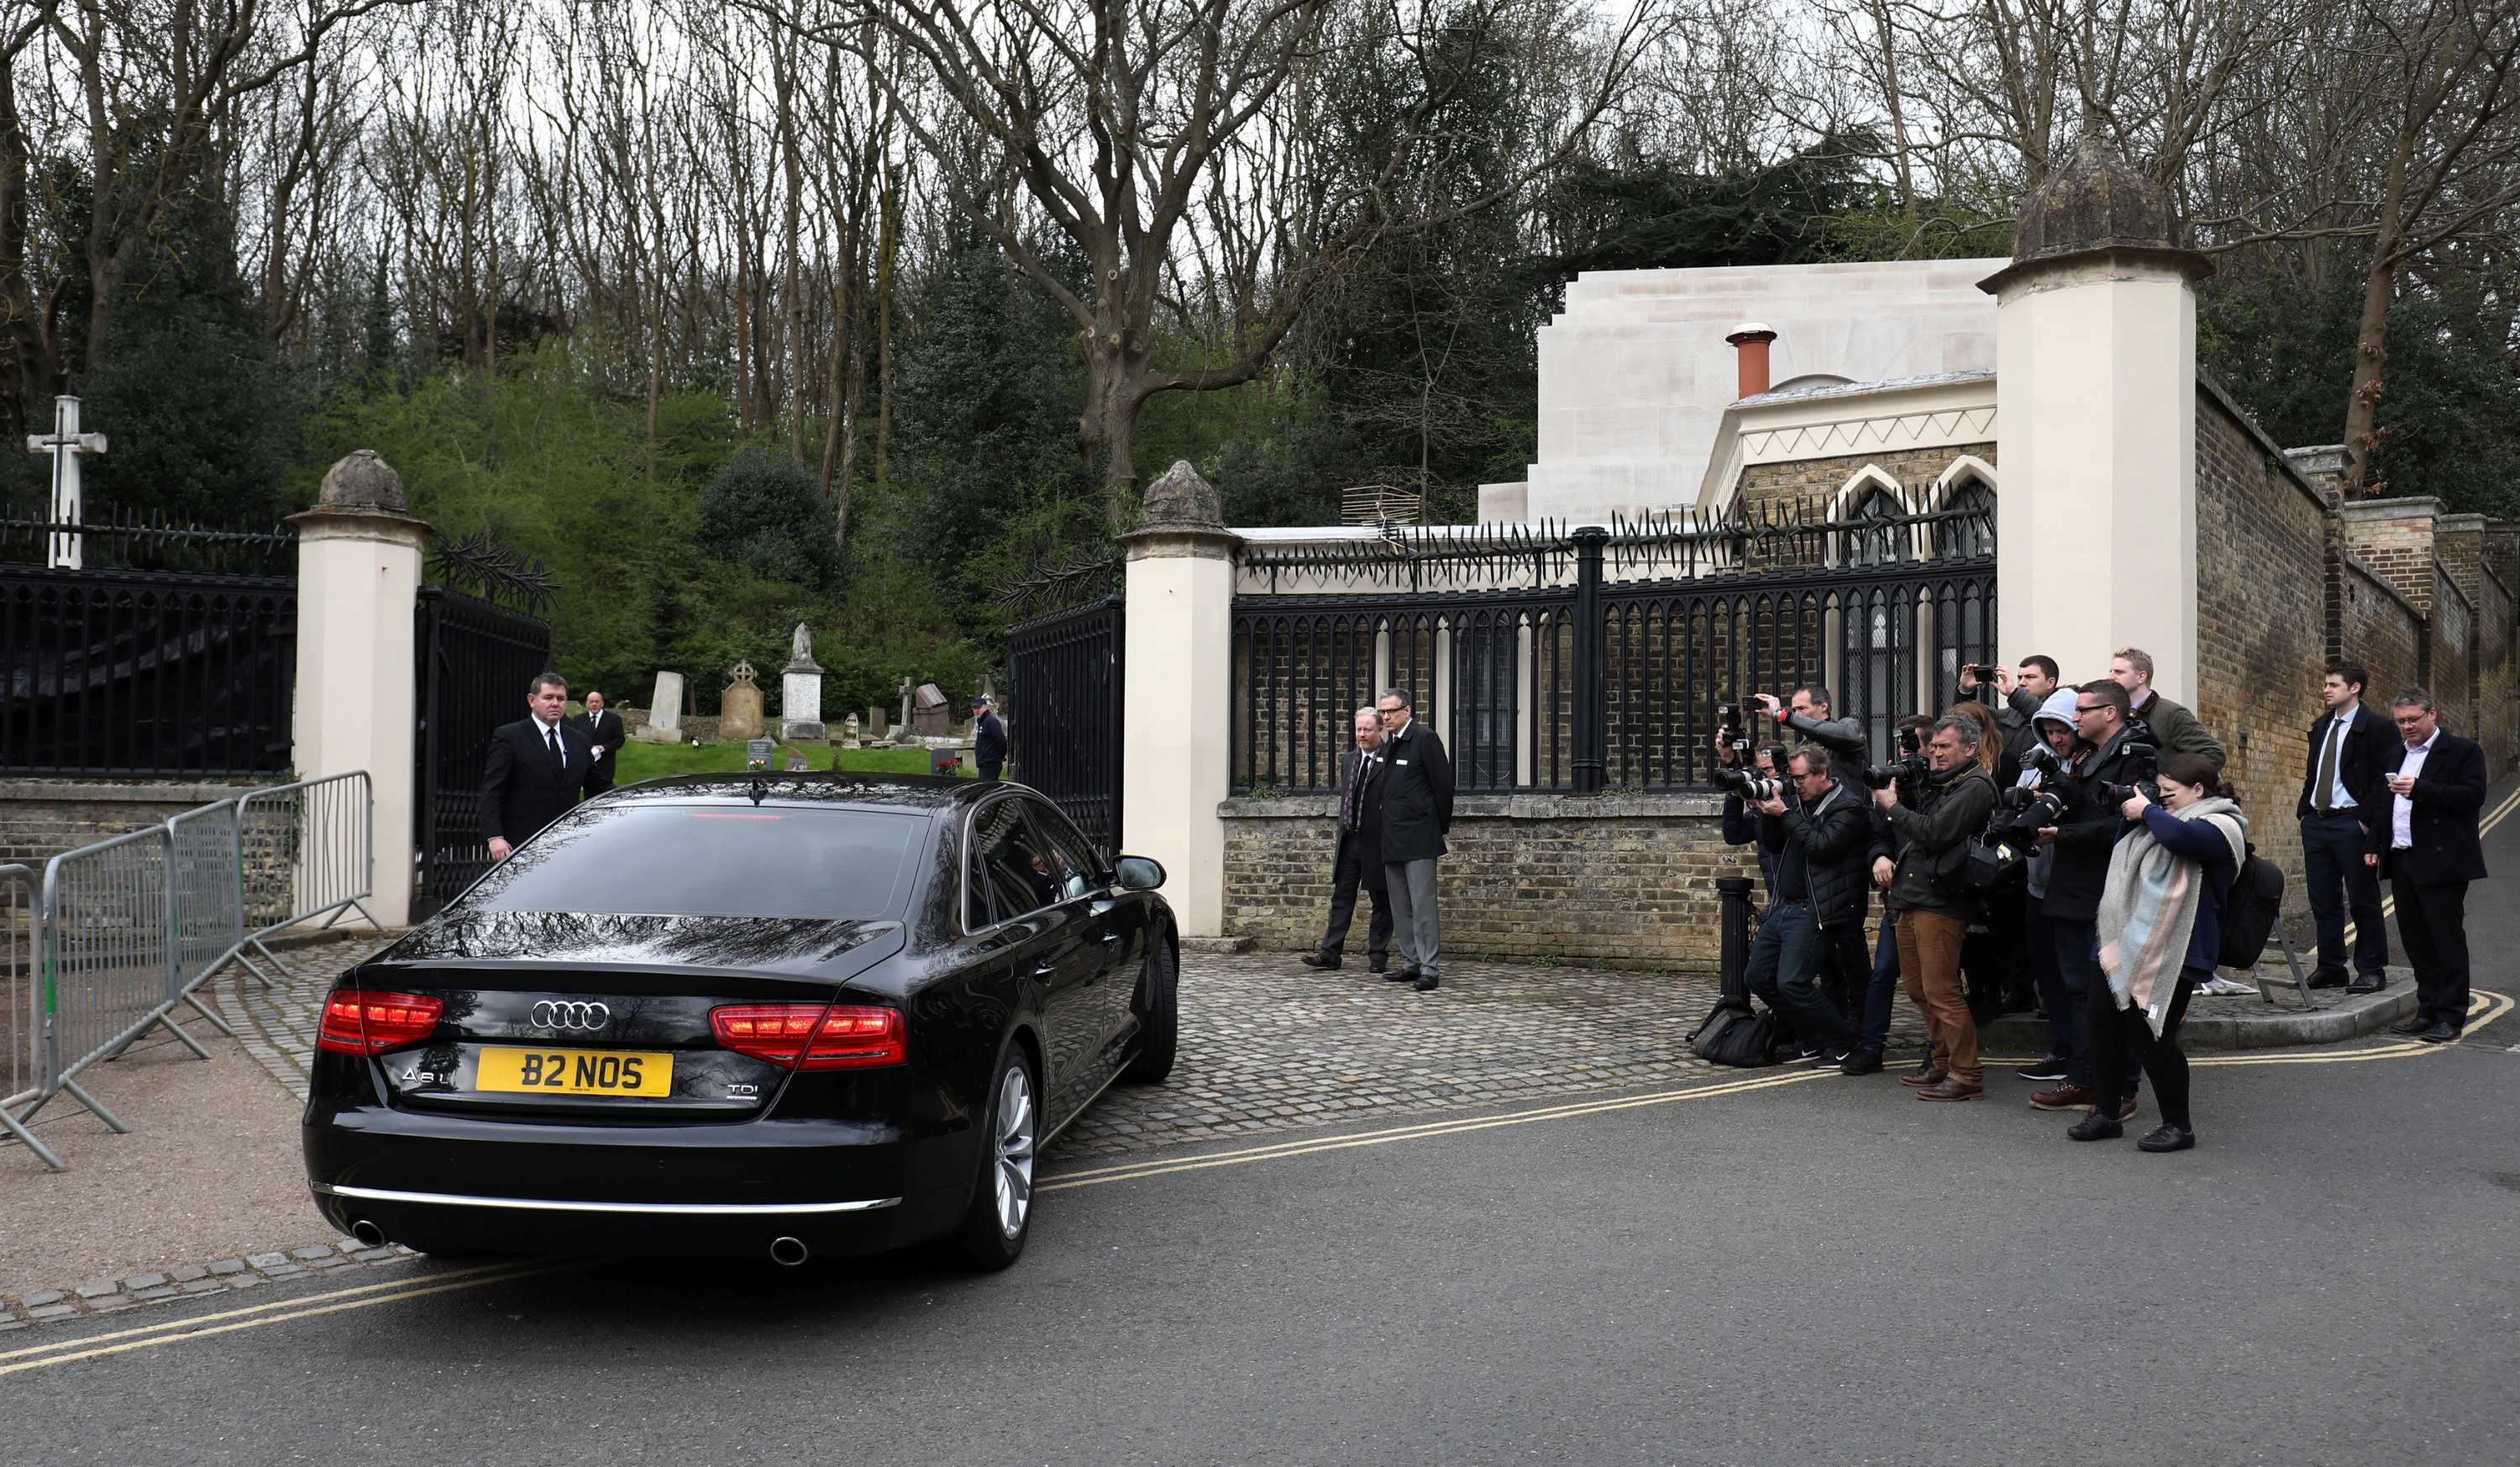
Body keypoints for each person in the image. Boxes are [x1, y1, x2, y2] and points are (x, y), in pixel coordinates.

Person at [2069, 751, 2247, 1150]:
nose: (2161, 798)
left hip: (2177, 947)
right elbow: (2123, 857)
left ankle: (2178, 1126)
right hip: (2123, 940)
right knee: (2102, 1026)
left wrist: (2148, 810)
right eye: (2159, 791)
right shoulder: (2155, 822)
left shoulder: (2222, 823)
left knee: (2151, 1036)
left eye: (2169, 792)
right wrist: (2137, 815)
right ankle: (2106, 1113)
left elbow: (2183, 839)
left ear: (2198, 789)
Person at [2029, 678, 2155, 1117]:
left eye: (2082, 710)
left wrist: (2061, 833)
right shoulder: (2082, 753)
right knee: (2078, 991)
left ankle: (2121, 1089)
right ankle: (2084, 1079)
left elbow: (2120, 826)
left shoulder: (2136, 753)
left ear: (2111, 713)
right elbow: (2075, 796)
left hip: (2111, 890)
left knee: (2116, 992)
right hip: (2072, 889)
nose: (2074, 717)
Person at [1875, 713, 1998, 1101]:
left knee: (1942, 991)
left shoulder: (1975, 786)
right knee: (1917, 989)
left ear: (1970, 749)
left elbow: (1937, 833)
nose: (1936, 754)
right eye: (1935, 746)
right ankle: (1943, 1061)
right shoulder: (1942, 784)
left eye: (1945, 747)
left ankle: (1966, 1074)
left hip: (1942, 902)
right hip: (1912, 897)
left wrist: (1893, 806)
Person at [1744, 744, 1870, 1064]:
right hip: (1784, 905)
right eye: (1793, 778)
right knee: (1757, 976)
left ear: (1822, 773)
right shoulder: (1797, 802)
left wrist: (1786, 814)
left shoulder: (1848, 807)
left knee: (1792, 981)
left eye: (1801, 778)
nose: (1795, 785)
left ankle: (1841, 1042)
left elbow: (1821, 846)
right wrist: (1769, 812)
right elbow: (1773, 845)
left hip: (1814, 909)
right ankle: (1811, 1037)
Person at [2374, 690, 2487, 1044]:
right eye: (2400, 721)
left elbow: (2472, 796)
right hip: (2403, 856)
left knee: (2446, 940)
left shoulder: (2464, 751)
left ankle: (2451, 1016)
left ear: (2432, 714)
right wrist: (2373, 845)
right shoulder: (2395, 752)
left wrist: (2421, 789)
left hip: (2443, 861)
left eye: (2412, 720)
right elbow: (2385, 805)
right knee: (2416, 940)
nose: (2406, 727)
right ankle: (2427, 1010)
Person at [1842, 714, 1936, 1076]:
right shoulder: (1892, 783)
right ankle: (1871, 1047)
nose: (1904, 750)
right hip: (1897, 900)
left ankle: (1938, 1048)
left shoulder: (1939, 786)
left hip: (1932, 899)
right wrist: (1879, 856)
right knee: (1882, 974)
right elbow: (1878, 833)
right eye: (1901, 743)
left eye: (1912, 743)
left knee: (1933, 983)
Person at [2294, 661, 2392, 993]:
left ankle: (2371, 969)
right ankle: (2331, 966)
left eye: (2333, 684)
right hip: (2318, 822)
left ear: (2355, 689)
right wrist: (2305, 813)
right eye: (2326, 684)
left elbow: (2383, 780)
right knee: (2323, 900)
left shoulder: (2377, 728)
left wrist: (2365, 821)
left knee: (2363, 900)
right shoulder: (2321, 726)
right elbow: (2315, 774)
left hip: (2352, 823)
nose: (2326, 689)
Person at [2014, 689, 2086, 1084]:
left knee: (2076, 978)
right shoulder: (2033, 766)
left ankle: (2083, 1053)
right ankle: (2061, 1047)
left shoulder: (2087, 766)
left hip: (2073, 889)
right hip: (2036, 885)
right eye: (2049, 731)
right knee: (2048, 973)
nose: (2056, 739)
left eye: (2062, 730)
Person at [1302, 707, 1393, 974]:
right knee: (1341, 898)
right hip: (1350, 840)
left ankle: (1378, 956)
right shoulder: (1349, 759)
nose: (1362, 735)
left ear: (1380, 730)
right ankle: (1330, 953)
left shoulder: (1389, 759)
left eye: (1367, 729)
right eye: (1358, 729)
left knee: (1381, 899)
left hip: (1377, 841)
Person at [1376, 688, 1454, 993]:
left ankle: (1430, 968)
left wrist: (1439, 826)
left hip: (1420, 836)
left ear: (1406, 711)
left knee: (1423, 906)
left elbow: (1443, 788)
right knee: (1401, 906)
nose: (1385, 717)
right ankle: (1411, 962)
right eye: (1382, 712)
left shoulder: (1425, 739)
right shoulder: (1390, 744)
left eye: (1390, 711)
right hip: (1393, 836)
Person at [482, 671, 599, 861]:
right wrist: (495, 837)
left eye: (561, 699)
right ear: (532, 700)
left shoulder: (579, 741)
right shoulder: (510, 737)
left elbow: (598, 786)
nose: (555, 703)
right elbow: (492, 790)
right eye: (548, 697)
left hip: (569, 843)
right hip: (521, 844)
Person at [2108, 647, 2225, 770]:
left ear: (2141, 677)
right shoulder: (2113, 713)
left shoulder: (2171, 713)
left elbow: (2214, 754)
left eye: (2119, 672)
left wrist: (2170, 779)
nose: (2110, 677)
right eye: (2110, 671)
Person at [1756, 685, 1870, 786]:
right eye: (1794, 710)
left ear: (1823, 707)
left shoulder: (1849, 726)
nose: (1797, 715)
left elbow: (1842, 735)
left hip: (1851, 808)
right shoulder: (1802, 747)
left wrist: (1782, 715)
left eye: (1802, 709)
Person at [1719, 738, 1788, 896]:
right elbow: (1734, 835)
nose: (1763, 778)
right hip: (1777, 896)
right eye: (1759, 772)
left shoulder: (1797, 803)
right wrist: (1735, 792)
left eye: (1768, 770)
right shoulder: (1761, 810)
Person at [568, 690, 624, 797]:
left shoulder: (614, 719)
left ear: (602, 703)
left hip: (605, 765)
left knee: (606, 797)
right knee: (588, 797)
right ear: (587, 703)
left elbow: (620, 739)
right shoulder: (578, 720)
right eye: (591, 701)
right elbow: (573, 740)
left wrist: (605, 747)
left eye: (597, 702)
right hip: (585, 765)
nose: (594, 704)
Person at [972, 696, 1007, 781]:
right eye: (974, 708)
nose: (976, 710)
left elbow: (1001, 740)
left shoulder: (990, 721)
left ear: (985, 707)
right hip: (985, 764)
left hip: (991, 764)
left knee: (985, 791)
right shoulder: (982, 721)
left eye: (978, 707)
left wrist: (1001, 756)